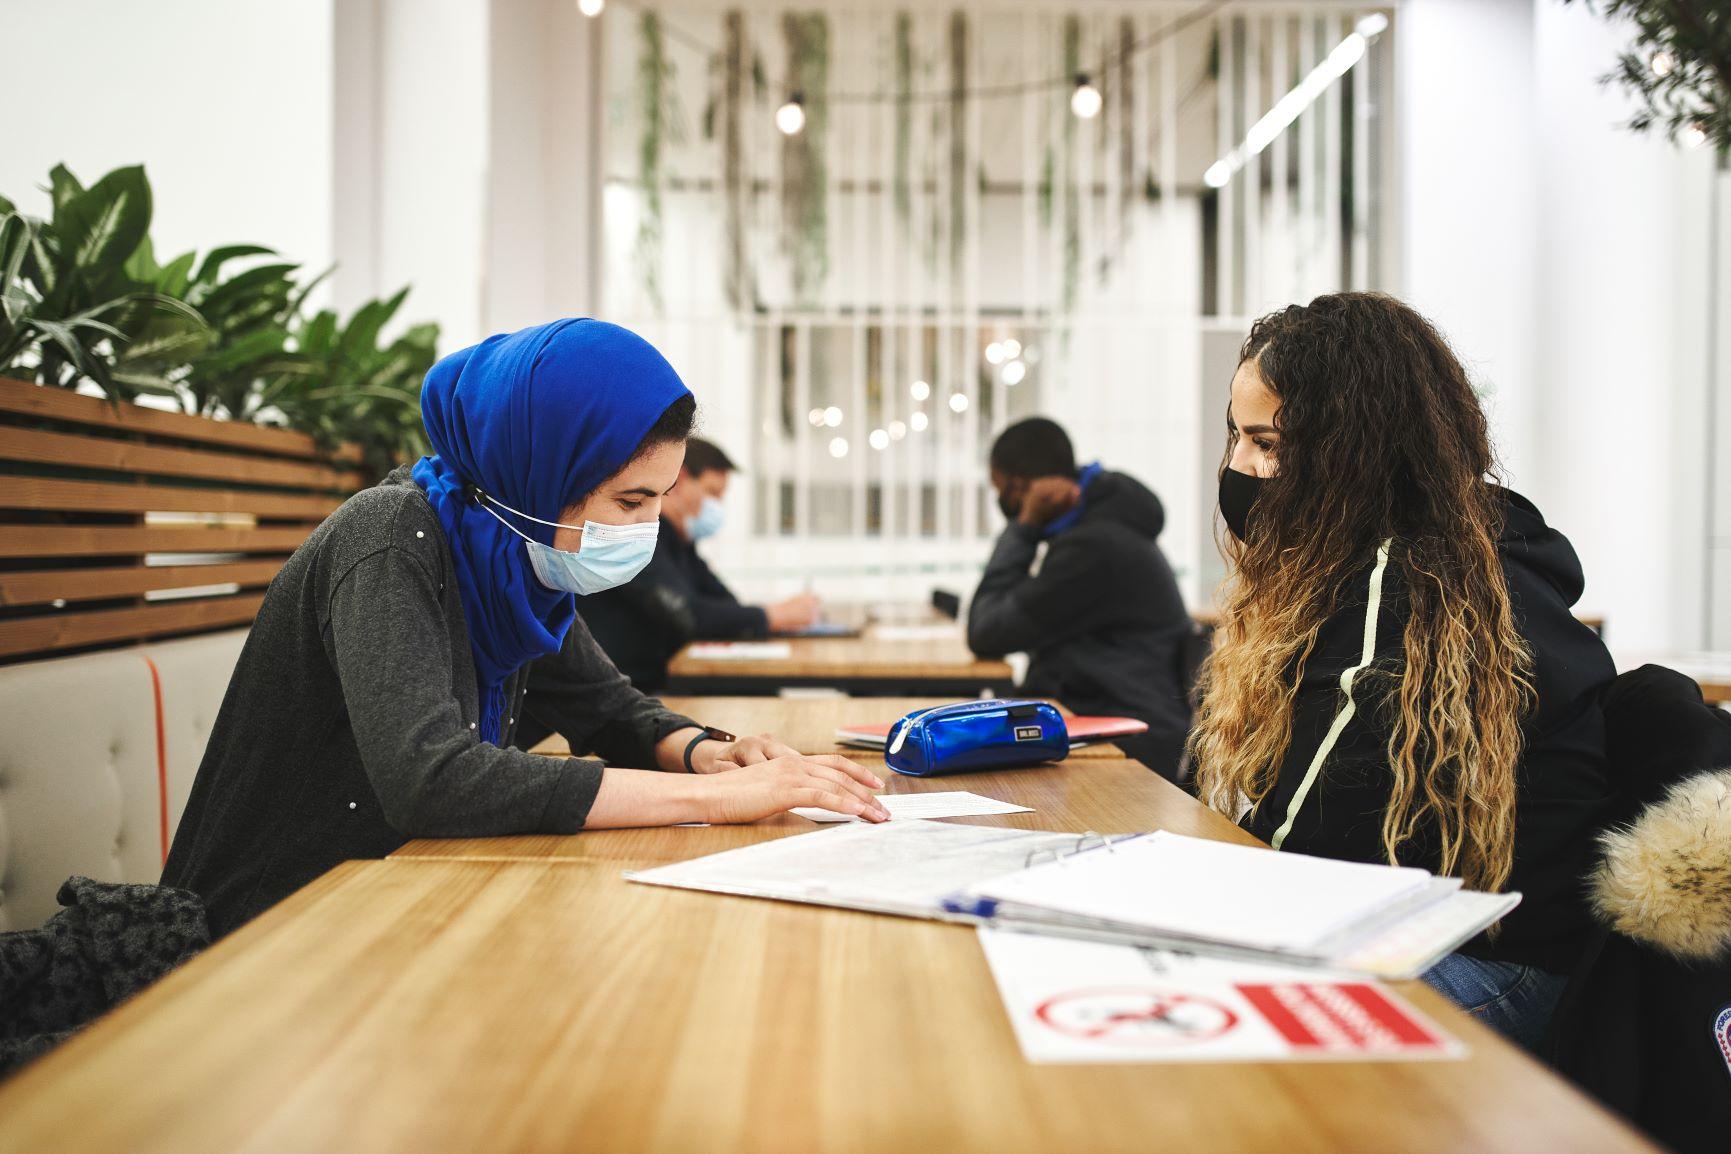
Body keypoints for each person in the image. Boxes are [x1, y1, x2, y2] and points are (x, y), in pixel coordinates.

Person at [163, 320, 886, 937]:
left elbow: (608, 707)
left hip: (407, 901)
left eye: (660, 499)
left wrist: (709, 755)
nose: (649, 526)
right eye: (630, 501)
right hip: (270, 930)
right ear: (539, 476)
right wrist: (715, 802)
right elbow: (431, 780)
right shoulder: (387, 539)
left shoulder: (514, 567)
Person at [1189, 292, 1616, 1053]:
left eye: (1266, 443)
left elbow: (1304, 843)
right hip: (1460, 939)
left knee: (1194, 1017)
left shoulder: (1412, 585)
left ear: (1350, 448)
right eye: (1236, 438)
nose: (1238, 467)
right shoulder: (1444, 550)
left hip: (1497, 966)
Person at [966, 417, 1193, 776]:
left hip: (1123, 741)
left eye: (1003, 491)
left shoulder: (1092, 550)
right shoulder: (1103, 529)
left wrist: (1023, 528)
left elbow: (986, 631)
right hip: (1109, 721)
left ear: (1024, 488)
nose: (1003, 505)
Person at [576, 437, 821, 691]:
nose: (718, 506)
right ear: (679, 481)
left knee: (760, 689)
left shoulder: (681, 544)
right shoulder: (639, 541)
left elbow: (725, 603)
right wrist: (773, 615)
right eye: (712, 493)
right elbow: (688, 615)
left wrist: (767, 616)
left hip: (661, 682)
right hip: (629, 689)